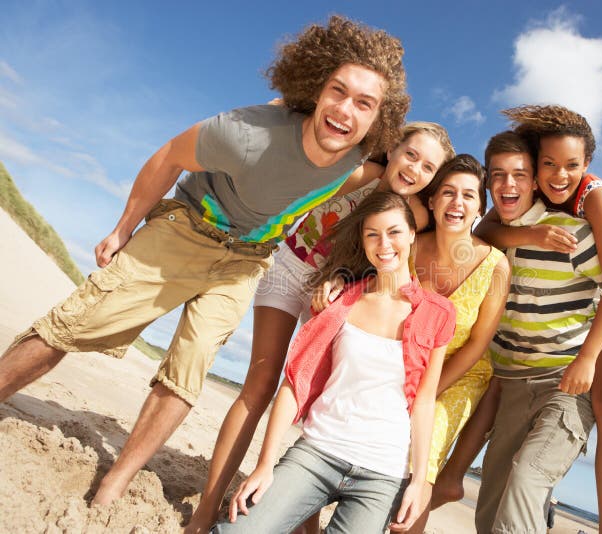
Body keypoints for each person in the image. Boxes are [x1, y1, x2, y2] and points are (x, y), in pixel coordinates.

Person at [0, 15, 409, 506]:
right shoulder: (247, 132)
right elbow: (169, 156)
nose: (346, 110)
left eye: (364, 103)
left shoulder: (359, 161)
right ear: (317, 89)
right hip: (187, 228)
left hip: (247, 262)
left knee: (188, 370)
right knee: (76, 322)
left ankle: (117, 481)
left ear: (378, 119)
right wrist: (123, 228)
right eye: (338, 91)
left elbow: (413, 175)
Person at [187, 121, 454, 532]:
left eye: (428, 168)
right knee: (262, 382)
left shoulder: (414, 214)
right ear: (394, 149)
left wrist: (341, 277)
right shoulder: (362, 174)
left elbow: (383, 260)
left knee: (322, 384)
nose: (415, 169)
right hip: (294, 266)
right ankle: (208, 509)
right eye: (411, 155)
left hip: (337, 289)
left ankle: (302, 512)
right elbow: (304, 197)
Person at [478, 107, 602, 533]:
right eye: (549, 164)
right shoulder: (530, 194)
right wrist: (528, 236)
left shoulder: (594, 197)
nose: (560, 175)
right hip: (582, 308)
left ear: (587, 165)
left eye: (572, 166)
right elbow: (485, 232)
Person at [399, 154, 510, 533]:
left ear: (480, 207)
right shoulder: (409, 247)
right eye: (447, 193)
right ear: (431, 200)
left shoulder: (494, 265)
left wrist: (425, 395)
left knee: (420, 459)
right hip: (407, 364)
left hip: (459, 373)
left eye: (468, 195)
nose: (456, 203)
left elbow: (478, 343)